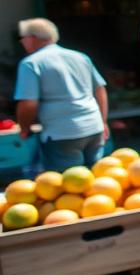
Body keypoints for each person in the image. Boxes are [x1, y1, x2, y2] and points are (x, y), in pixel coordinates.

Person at [13, 18, 109, 171]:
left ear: (32, 38)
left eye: (23, 38)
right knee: (96, 181)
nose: (22, 42)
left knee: (67, 188)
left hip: (61, 133)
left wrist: (25, 128)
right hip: (94, 127)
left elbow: (28, 103)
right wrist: (103, 121)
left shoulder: (31, 63)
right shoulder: (80, 57)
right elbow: (99, 89)